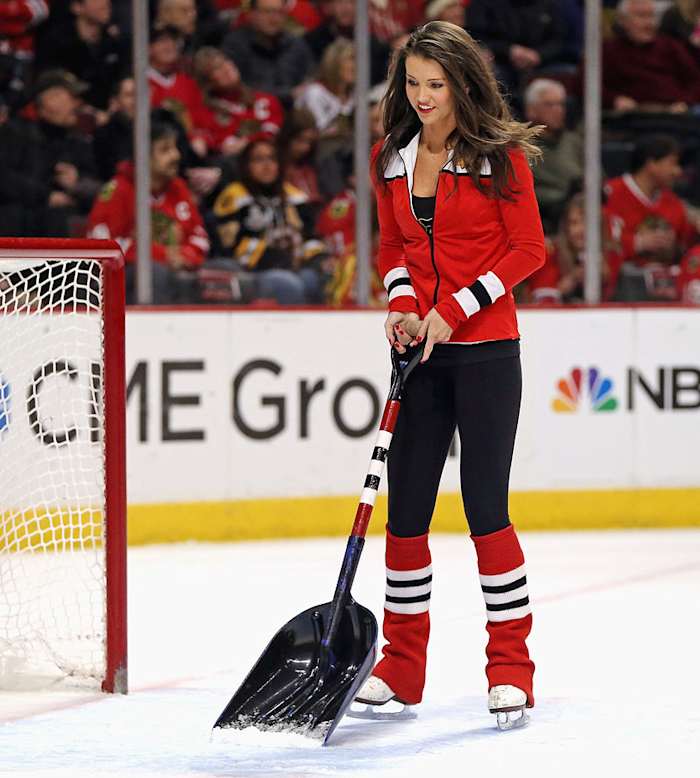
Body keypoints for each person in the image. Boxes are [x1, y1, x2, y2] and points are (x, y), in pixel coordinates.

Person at [355, 21, 545, 730]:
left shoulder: (500, 158)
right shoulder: (392, 158)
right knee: (405, 516)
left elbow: (529, 249)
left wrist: (456, 309)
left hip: (488, 352)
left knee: (485, 510)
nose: (423, 96)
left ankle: (511, 670)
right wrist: (405, 305)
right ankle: (401, 669)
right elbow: (394, 245)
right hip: (420, 357)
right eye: (413, 83)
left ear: (463, 83)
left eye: (436, 84)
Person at [87, 118, 210, 303]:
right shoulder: (118, 190)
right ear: (142, 155)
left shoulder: (178, 187)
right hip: (122, 280)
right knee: (155, 274)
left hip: (177, 267)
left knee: (225, 272)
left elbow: (200, 236)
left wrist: (185, 256)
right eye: (165, 150)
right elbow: (103, 245)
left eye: (175, 148)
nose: (176, 156)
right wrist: (163, 256)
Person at [211, 136, 327, 304]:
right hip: (252, 272)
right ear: (246, 165)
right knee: (289, 285)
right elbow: (230, 246)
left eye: (272, 159)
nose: (267, 165)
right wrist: (275, 257)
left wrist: (318, 258)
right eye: (258, 159)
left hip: (296, 266)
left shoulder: (296, 198)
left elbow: (311, 237)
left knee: (316, 279)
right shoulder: (235, 197)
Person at [0, 69, 100, 238]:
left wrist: (78, 184)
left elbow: (102, 190)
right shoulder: (14, 133)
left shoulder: (77, 141)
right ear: (50, 100)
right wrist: (45, 196)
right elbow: (4, 179)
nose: (78, 104)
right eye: (72, 97)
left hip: (62, 239)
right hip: (16, 236)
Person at [604, 134, 698, 300]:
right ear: (651, 164)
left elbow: (687, 246)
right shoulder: (611, 193)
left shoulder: (673, 202)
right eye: (672, 163)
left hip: (668, 285)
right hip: (621, 284)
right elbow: (597, 242)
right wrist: (637, 243)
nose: (678, 171)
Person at [602, 0, 700, 112]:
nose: (649, 23)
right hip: (629, 117)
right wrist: (614, 100)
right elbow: (583, 85)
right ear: (622, 20)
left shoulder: (671, 47)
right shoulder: (609, 50)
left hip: (673, 115)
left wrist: (685, 102)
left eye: (651, 16)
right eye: (641, 16)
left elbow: (695, 81)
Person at [220, 0, 314, 109]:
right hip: (253, 114)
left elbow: (310, 79)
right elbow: (239, 89)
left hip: (296, 113)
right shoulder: (234, 46)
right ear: (251, 14)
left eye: (280, 12)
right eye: (267, 12)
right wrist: (287, 95)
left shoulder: (296, 45)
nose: (274, 19)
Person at [524, 78, 583, 233]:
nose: (558, 110)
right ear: (531, 110)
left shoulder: (575, 141)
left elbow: (598, 179)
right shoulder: (522, 146)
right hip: (547, 217)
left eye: (561, 104)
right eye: (549, 104)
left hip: (583, 210)